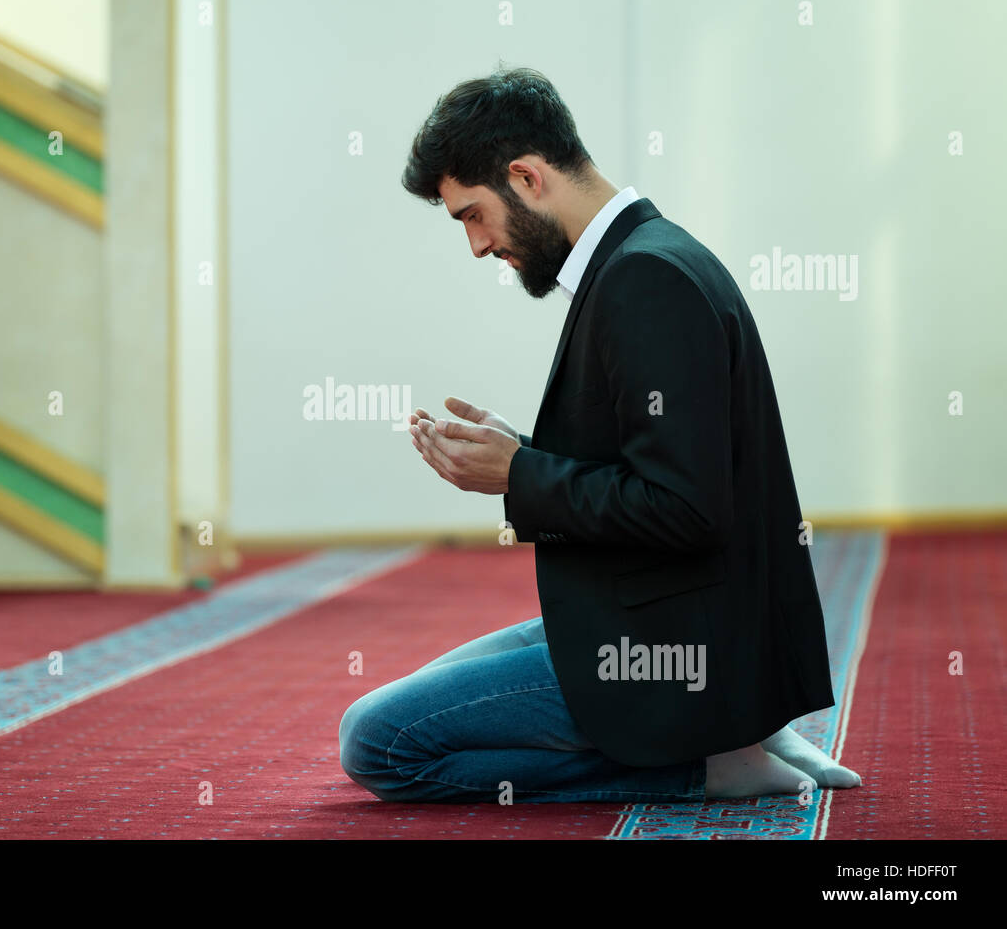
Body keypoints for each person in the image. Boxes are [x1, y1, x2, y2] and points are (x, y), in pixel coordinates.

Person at [338, 66, 862, 802]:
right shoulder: (648, 255)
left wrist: (517, 475)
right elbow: (661, 465)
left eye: (471, 215)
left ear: (524, 176)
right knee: (428, 690)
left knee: (377, 741)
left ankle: (709, 760)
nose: (478, 247)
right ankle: (747, 730)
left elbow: (685, 508)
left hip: (677, 651)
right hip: (669, 621)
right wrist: (520, 451)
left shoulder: (645, 279)